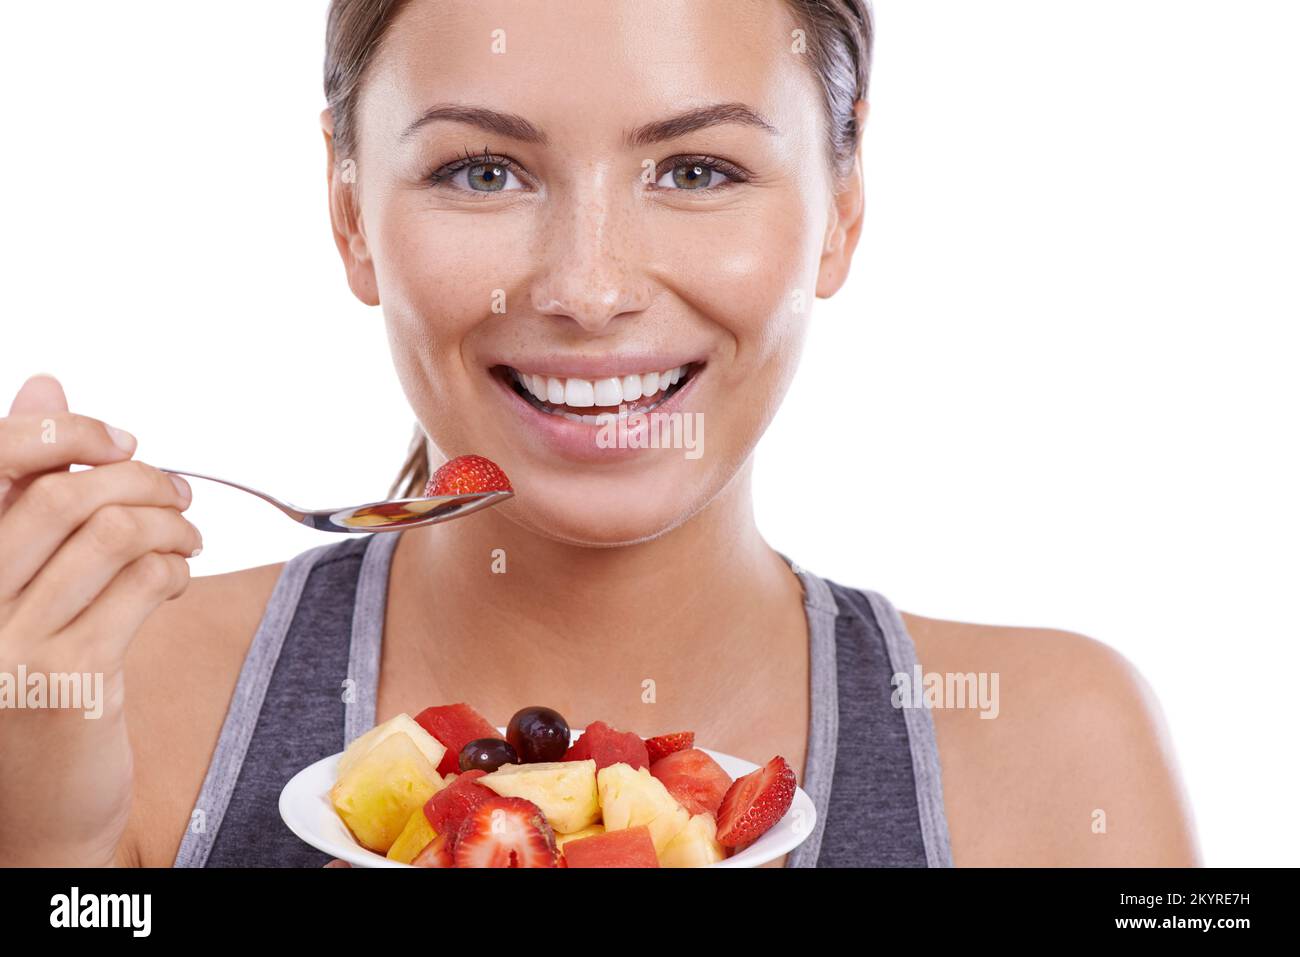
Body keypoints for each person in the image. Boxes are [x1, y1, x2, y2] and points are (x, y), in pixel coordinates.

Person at [0, 0, 1198, 868]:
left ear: (842, 205)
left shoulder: (1061, 754)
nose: (587, 288)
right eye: (483, 172)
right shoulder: (103, 703)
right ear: (348, 209)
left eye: (696, 169)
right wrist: (44, 844)